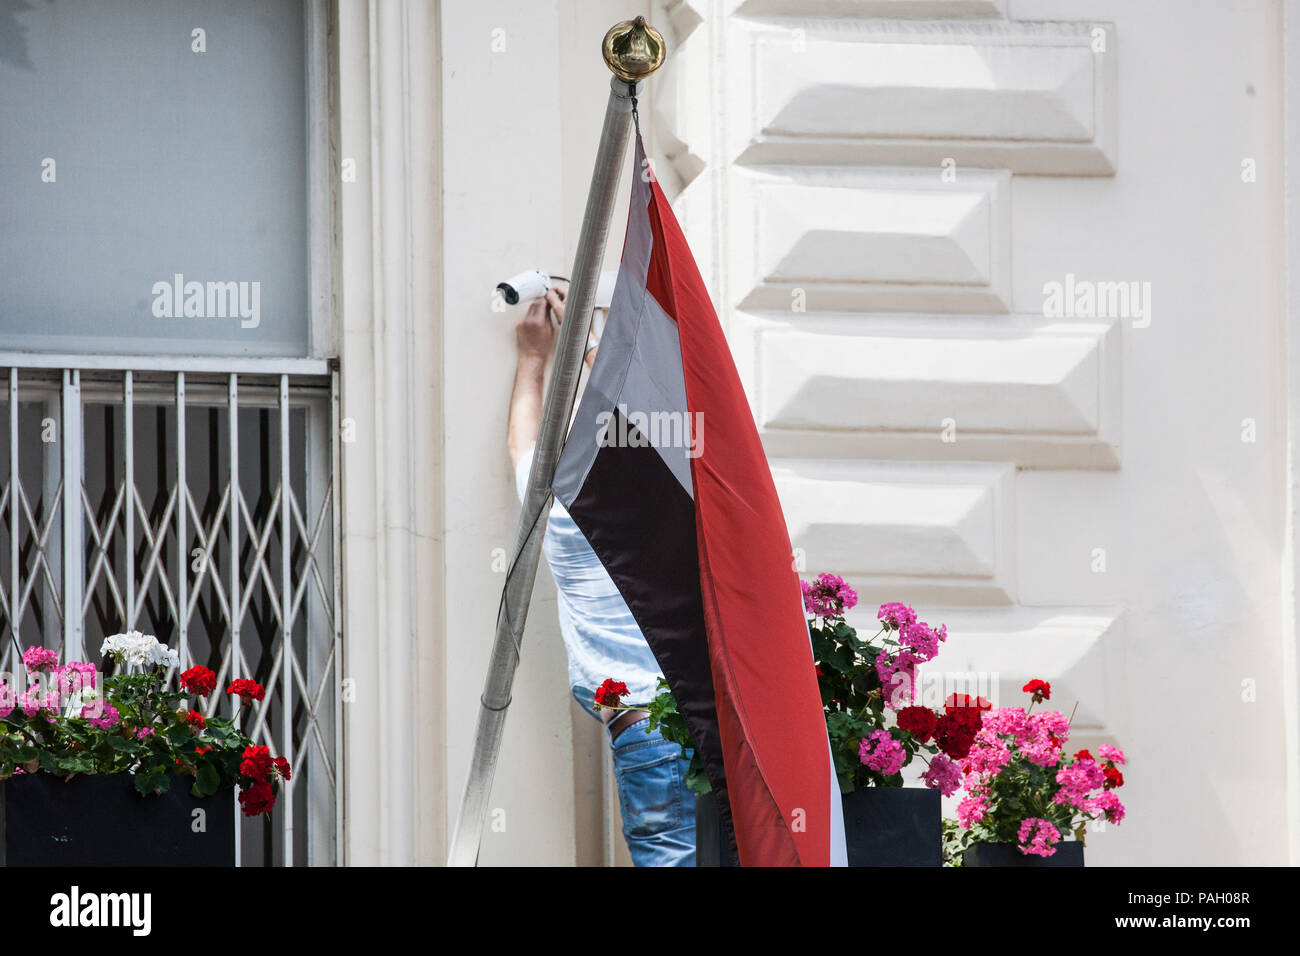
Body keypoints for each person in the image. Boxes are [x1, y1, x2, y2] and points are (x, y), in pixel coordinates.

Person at [506, 281, 696, 866]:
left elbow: (522, 445)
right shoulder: (657, 507)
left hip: (644, 732)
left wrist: (533, 360)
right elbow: (652, 429)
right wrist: (592, 348)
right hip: (703, 718)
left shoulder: (560, 516)